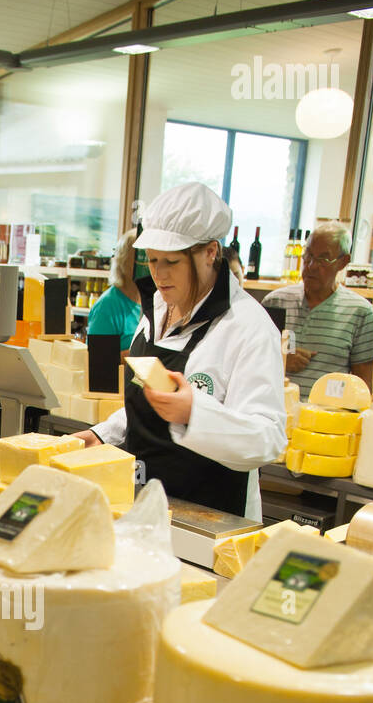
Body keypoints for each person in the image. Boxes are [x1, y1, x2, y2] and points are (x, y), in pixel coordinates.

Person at [80, 182, 285, 519]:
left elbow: (268, 438)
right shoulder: (157, 310)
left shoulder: (248, 327)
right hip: (145, 503)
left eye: (171, 262)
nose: (159, 275)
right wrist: (103, 435)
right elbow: (145, 399)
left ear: (209, 253)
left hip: (210, 516)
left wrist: (194, 413)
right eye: (152, 260)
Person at [262, 222, 373, 401]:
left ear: (343, 262)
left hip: (326, 419)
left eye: (323, 259)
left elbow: (363, 389)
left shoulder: (360, 312)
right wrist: (282, 360)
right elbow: (250, 361)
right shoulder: (275, 302)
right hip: (272, 412)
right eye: (308, 256)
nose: (311, 266)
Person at [87, 230, 142, 356]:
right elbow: (97, 358)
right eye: (138, 258)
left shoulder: (152, 301)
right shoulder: (107, 306)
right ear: (123, 260)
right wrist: (139, 355)